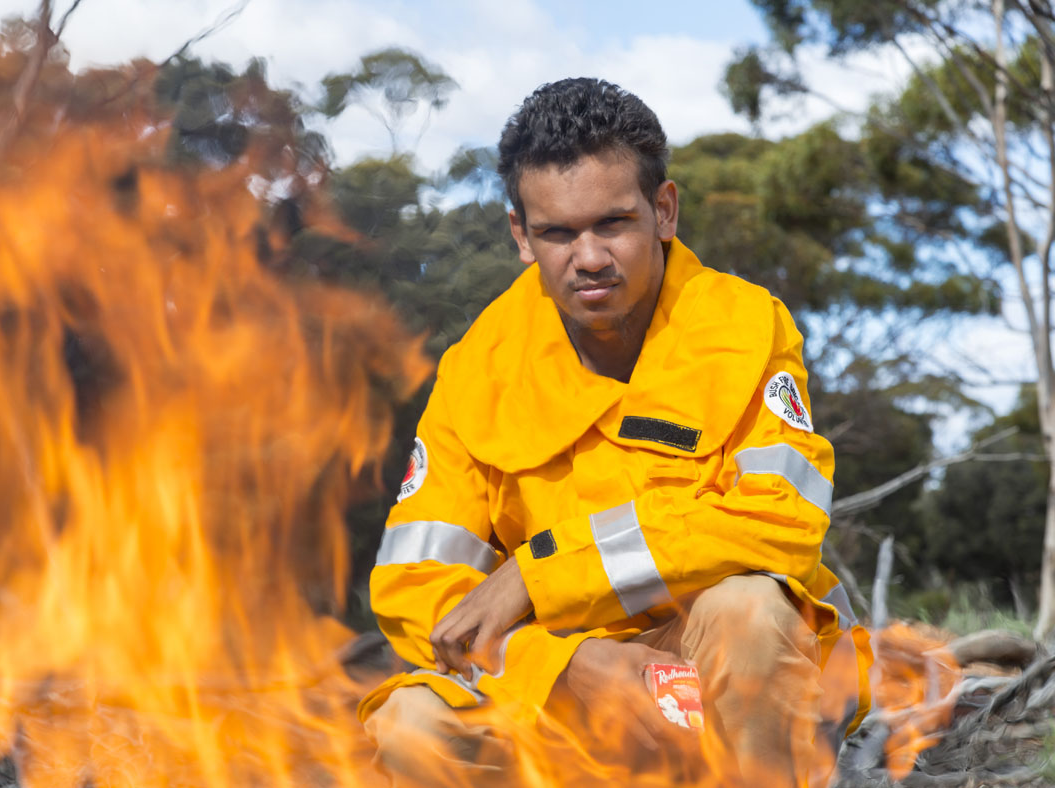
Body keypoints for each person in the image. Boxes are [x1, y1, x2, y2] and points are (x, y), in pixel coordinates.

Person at [357, 77, 872, 787]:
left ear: (663, 211)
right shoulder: (476, 371)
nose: (590, 257)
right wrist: (564, 666)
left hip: (726, 682)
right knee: (411, 724)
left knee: (748, 611)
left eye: (613, 224)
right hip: (563, 693)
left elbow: (780, 523)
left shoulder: (745, 327)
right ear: (520, 235)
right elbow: (415, 590)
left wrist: (540, 574)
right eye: (557, 233)